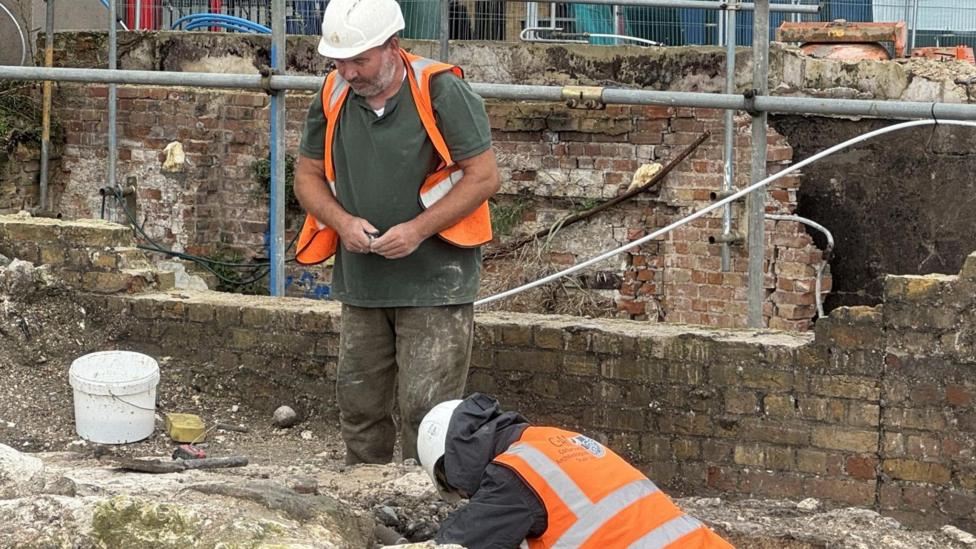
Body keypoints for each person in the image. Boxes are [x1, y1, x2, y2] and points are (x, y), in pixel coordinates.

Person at [293, 0, 500, 465]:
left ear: (392, 46)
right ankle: (364, 503)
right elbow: (305, 177)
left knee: (427, 413)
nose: (348, 72)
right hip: (363, 283)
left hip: (435, 282)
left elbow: (484, 176)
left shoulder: (442, 90)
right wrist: (342, 222)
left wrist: (416, 230)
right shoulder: (331, 94)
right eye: (339, 61)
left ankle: (424, 507)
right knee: (359, 407)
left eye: (359, 60)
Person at [417, 393, 735, 549]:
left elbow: (458, 544)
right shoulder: (553, 441)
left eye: (457, 488)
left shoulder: (513, 473)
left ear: (454, 464)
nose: (466, 496)